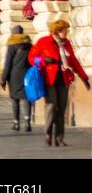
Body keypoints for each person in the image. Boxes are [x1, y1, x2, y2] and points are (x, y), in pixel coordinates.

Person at [29, 18, 90, 147]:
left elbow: (73, 61)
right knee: (51, 106)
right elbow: (31, 58)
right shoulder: (44, 41)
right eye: (64, 31)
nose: (66, 33)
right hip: (49, 80)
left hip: (64, 79)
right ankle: (48, 134)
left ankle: (59, 137)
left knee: (62, 109)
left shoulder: (66, 43)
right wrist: (44, 60)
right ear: (57, 31)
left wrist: (84, 78)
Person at [0, 25, 33, 132]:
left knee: (15, 99)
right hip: (27, 74)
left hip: (14, 76)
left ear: (13, 33)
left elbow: (8, 63)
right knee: (27, 98)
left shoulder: (12, 45)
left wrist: (3, 79)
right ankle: (27, 122)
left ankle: (16, 123)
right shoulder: (29, 45)